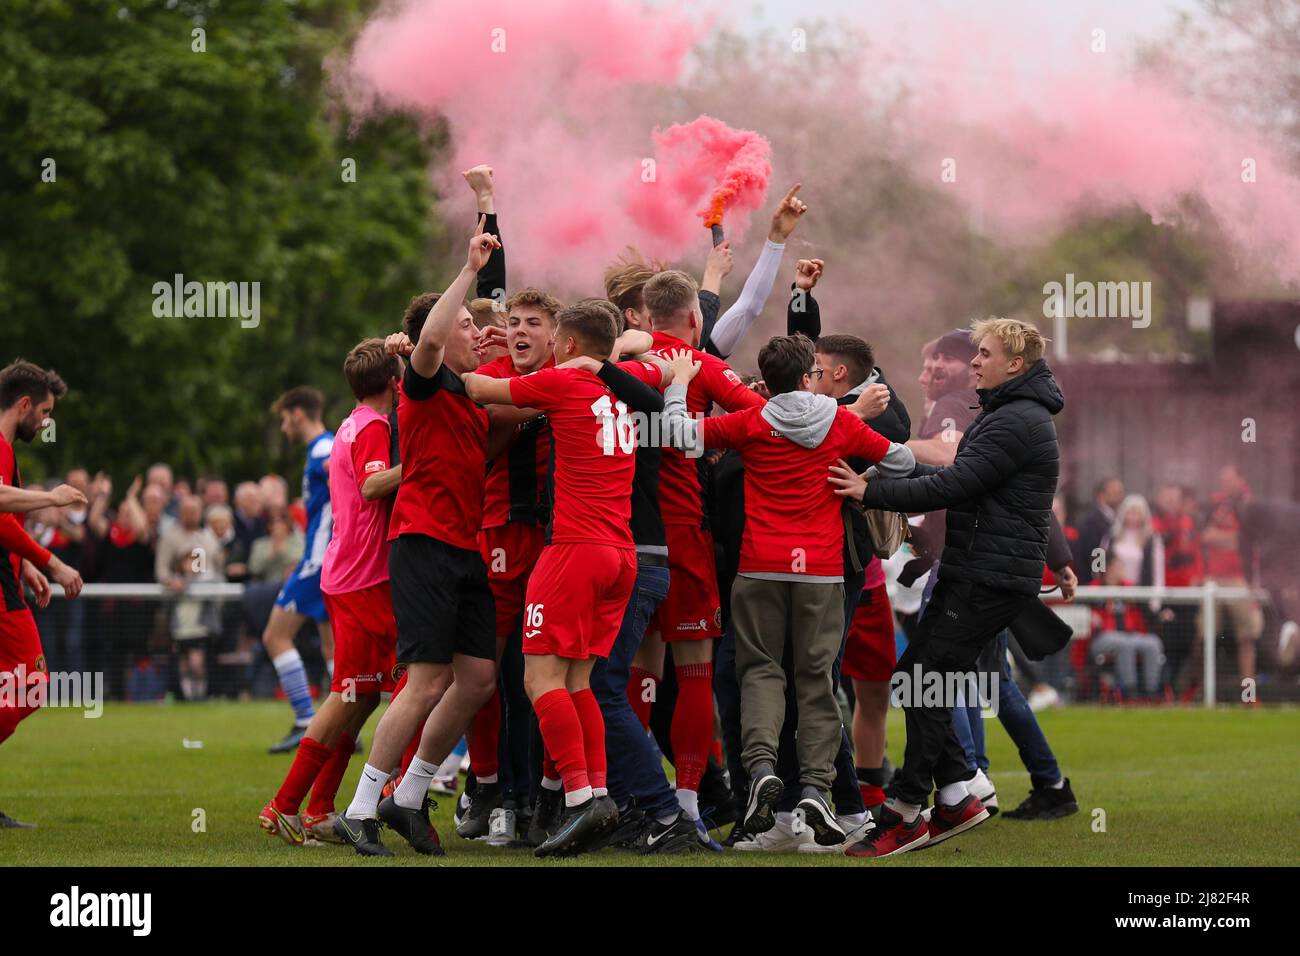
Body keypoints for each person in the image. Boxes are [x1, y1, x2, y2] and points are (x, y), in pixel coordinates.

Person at [661, 333, 913, 853]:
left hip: (759, 569)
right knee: (817, 681)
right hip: (821, 573)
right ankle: (817, 790)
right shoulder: (841, 422)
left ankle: (759, 772)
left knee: (759, 674)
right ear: (807, 377)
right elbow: (902, 462)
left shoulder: (752, 421)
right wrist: (858, 476)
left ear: (767, 379)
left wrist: (679, 384)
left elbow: (679, 437)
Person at [829, 317, 1064, 858]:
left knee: (927, 678)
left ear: (1015, 365)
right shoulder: (1009, 412)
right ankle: (956, 791)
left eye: (984, 354)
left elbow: (957, 482)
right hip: (976, 570)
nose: (974, 362)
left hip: (988, 576)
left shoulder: (1015, 420)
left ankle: (908, 809)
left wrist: (872, 491)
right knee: (919, 677)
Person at [462, 302, 670, 856]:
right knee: (577, 684)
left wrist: (434, 356)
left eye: (553, 337)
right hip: (621, 554)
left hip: (573, 551)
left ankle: (579, 797)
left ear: (569, 345)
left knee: (539, 682)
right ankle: (596, 794)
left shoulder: (562, 383)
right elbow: (661, 363)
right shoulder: (627, 385)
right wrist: (615, 359)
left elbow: (480, 392)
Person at [333, 219, 503, 857]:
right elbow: (434, 337)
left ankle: (408, 797)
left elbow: (483, 369)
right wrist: (468, 268)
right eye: (466, 325)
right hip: (424, 544)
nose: (474, 330)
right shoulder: (425, 383)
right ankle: (360, 807)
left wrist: (486, 345)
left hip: (464, 549)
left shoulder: (466, 390)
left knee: (479, 679)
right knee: (427, 681)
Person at [260, 338, 403, 846]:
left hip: (348, 574)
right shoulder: (371, 427)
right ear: (394, 381)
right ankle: (285, 804)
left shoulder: (350, 422)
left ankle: (319, 810)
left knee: (362, 697)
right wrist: (430, 464)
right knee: (360, 695)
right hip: (363, 579)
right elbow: (370, 485)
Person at [461, 285, 562, 840]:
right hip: (497, 534)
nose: (521, 330)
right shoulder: (498, 370)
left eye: (533, 323)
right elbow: (479, 406)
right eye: (514, 321)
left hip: (555, 540)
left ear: (555, 335)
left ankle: (540, 797)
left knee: (542, 676)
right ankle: (490, 789)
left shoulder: (574, 368)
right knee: (483, 676)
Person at [0, 360, 86, 828]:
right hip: (0, 593)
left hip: (10, 579)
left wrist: (30, 562)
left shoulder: (6, 449)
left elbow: (4, 522)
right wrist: (51, 503)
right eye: (46, 412)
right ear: (25, 404)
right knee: (30, 685)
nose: (46, 423)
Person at [263, 387, 335, 753]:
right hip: (330, 560)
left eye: (284, 417)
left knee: (274, 637)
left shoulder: (323, 449)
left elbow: (348, 480)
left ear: (298, 414)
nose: (283, 425)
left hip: (318, 561)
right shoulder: (321, 448)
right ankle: (344, 728)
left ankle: (307, 719)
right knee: (330, 647)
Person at [1088, 555, 1166, 700]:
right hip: (1103, 637)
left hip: (1131, 634)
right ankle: (1130, 691)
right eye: (1119, 566)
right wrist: (1090, 616)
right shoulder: (1095, 588)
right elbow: (1084, 611)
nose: (1122, 570)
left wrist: (1160, 615)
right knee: (1124, 644)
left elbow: (1147, 611)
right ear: (1109, 569)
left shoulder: (1130, 588)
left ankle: (1152, 692)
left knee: (1153, 643)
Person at [1074, 477, 1125, 585]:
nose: (1120, 495)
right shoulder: (1094, 521)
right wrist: (1100, 578)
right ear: (1101, 495)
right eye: (1114, 492)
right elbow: (1095, 552)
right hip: (1094, 583)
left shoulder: (1110, 519)